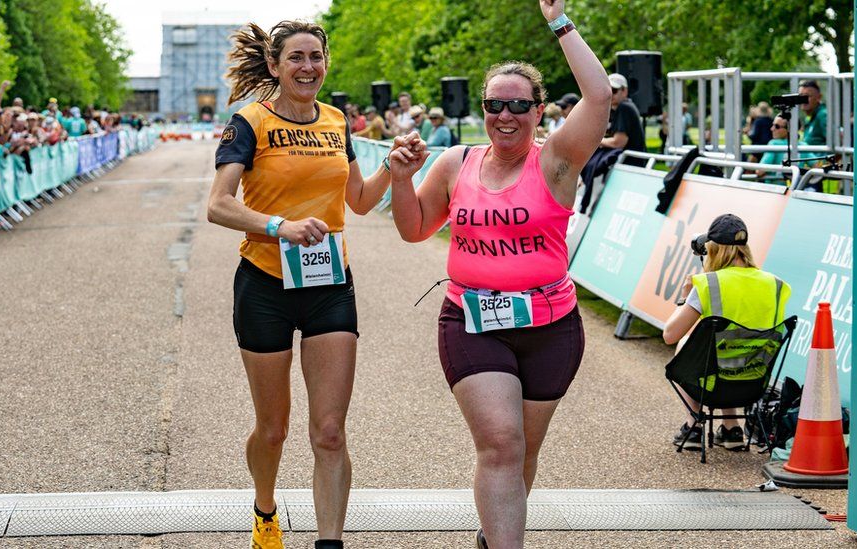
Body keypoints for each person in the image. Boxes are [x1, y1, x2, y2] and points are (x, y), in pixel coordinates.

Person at [388, 1, 611, 546]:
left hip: (551, 326)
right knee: (501, 445)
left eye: (518, 105)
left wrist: (560, 20)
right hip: (470, 319)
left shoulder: (556, 161)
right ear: (483, 109)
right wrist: (399, 178)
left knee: (522, 454)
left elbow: (599, 96)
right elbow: (414, 229)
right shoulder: (454, 163)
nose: (504, 115)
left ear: (539, 112)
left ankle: (493, 535)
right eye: (494, 104)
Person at [207, 20, 419, 549]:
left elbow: (358, 201)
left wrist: (394, 170)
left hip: (329, 284)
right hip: (264, 284)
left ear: (326, 62)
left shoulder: (335, 120)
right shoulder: (248, 121)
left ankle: (330, 542)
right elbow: (218, 205)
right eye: (296, 58)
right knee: (273, 428)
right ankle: (264, 508)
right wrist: (281, 227)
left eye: (316, 57)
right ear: (275, 66)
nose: (308, 67)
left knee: (329, 430)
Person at [662, 214, 791, 451]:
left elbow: (670, 335)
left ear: (713, 249)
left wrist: (685, 296)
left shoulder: (708, 284)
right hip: (754, 382)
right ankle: (732, 428)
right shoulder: (776, 284)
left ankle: (694, 424)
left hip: (713, 385)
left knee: (686, 343)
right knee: (733, 348)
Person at [577, 72, 645, 215]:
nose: (610, 93)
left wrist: (596, 141)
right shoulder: (615, 109)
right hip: (624, 169)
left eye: (614, 90)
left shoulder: (624, 107)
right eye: (607, 90)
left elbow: (618, 142)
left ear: (624, 91)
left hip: (629, 169)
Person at [755, 115, 789, 183]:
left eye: (777, 126)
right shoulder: (802, 145)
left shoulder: (774, 144)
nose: (772, 128)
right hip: (797, 190)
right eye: (773, 125)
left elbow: (760, 171)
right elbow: (816, 167)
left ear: (789, 129)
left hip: (775, 191)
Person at [798, 80, 827, 146]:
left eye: (807, 96)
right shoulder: (809, 116)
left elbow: (838, 144)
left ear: (819, 97)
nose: (803, 99)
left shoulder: (823, 115)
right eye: (800, 96)